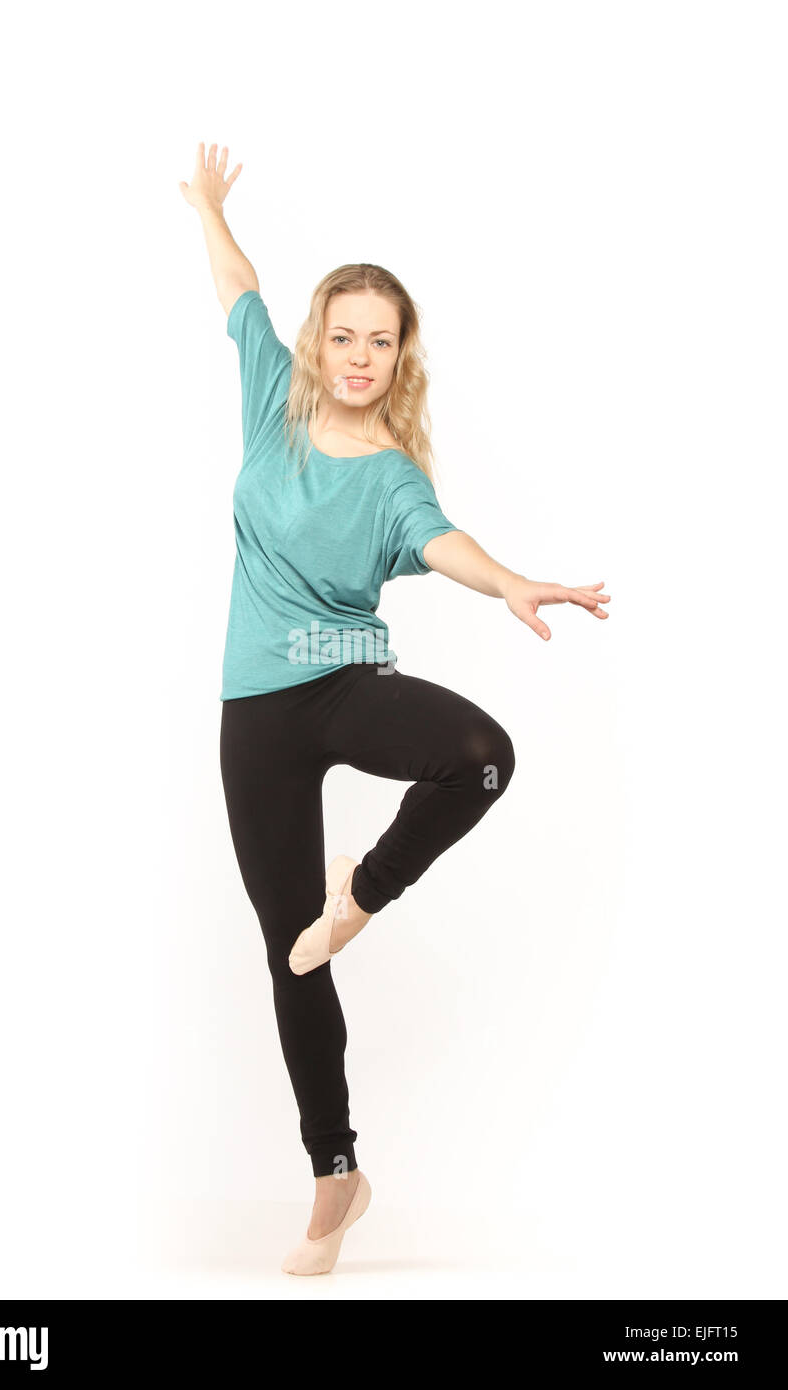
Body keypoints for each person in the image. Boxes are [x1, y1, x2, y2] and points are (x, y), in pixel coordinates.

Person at [179, 143, 611, 1276]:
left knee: (477, 754)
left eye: (383, 338)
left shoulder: (393, 474)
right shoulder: (269, 395)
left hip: (343, 685)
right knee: (292, 959)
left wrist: (512, 577)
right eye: (345, 334)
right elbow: (239, 291)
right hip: (254, 711)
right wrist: (211, 209)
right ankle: (337, 1176)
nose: (361, 354)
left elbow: (440, 542)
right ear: (319, 342)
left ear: (399, 353)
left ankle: (363, 896)